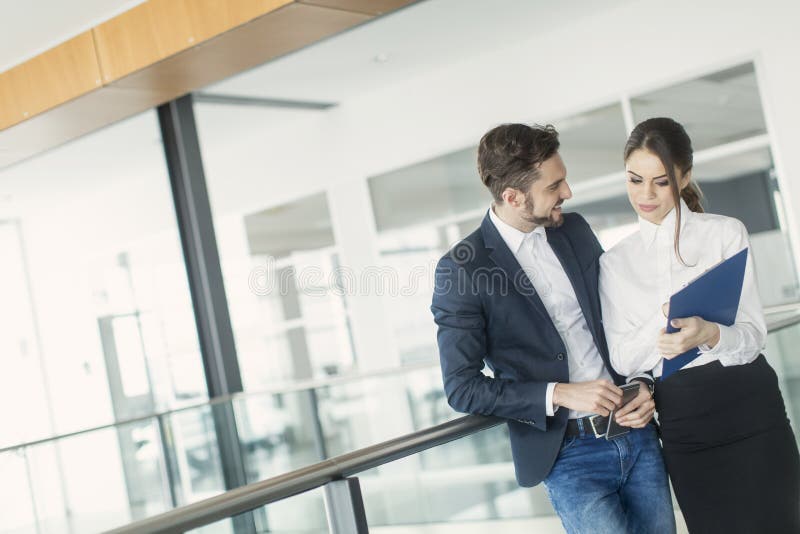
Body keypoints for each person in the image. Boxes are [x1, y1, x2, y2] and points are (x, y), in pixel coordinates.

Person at [431, 123, 676, 534]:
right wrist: (559, 393)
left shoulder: (575, 230)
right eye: (554, 186)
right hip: (567, 454)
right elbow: (462, 387)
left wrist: (642, 383)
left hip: (635, 429)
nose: (568, 193)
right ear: (512, 197)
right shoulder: (463, 269)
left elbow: (620, 320)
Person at [599, 117, 800, 533]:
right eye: (635, 180)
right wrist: (664, 315)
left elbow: (752, 336)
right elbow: (623, 356)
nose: (645, 195)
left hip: (750, 405)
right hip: (685, 422)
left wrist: (711, 334)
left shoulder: (726, 234)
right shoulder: (614, 264)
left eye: (660, 181)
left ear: (685, 176)